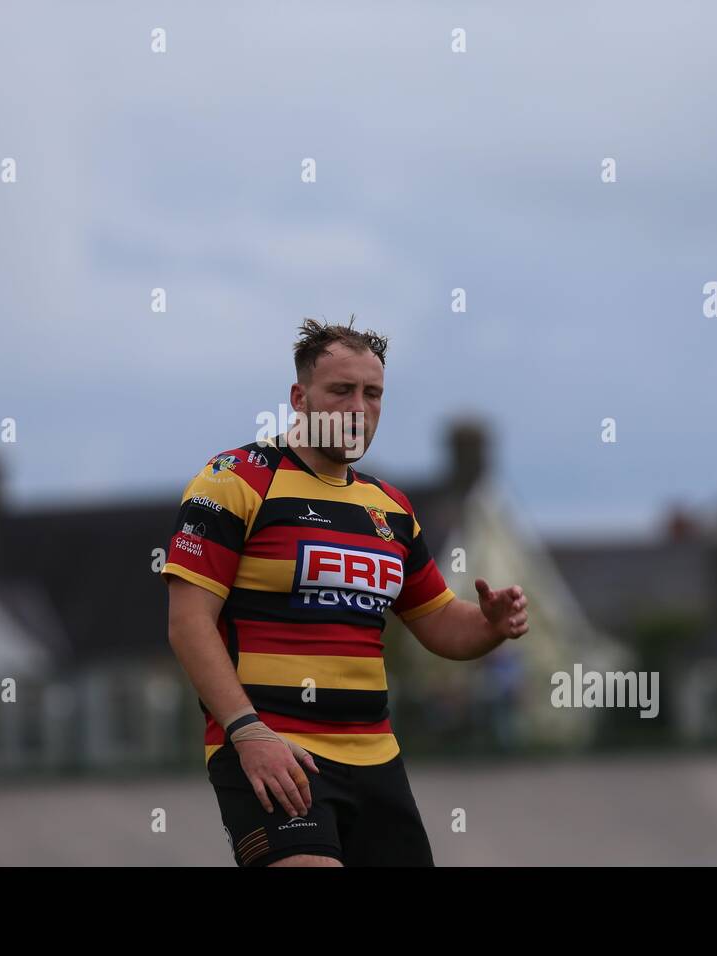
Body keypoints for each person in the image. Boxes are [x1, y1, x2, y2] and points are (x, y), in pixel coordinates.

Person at [162, 318, 529, 867]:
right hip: (275, 749)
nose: (359, 406)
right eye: (341, 390)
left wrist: (490, 625)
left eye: (372, 393)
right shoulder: (234, 480)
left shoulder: (391, 508)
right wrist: (247, 731)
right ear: (299, 396)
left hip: (376, 759)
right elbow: (188, 623)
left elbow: (440, 624)